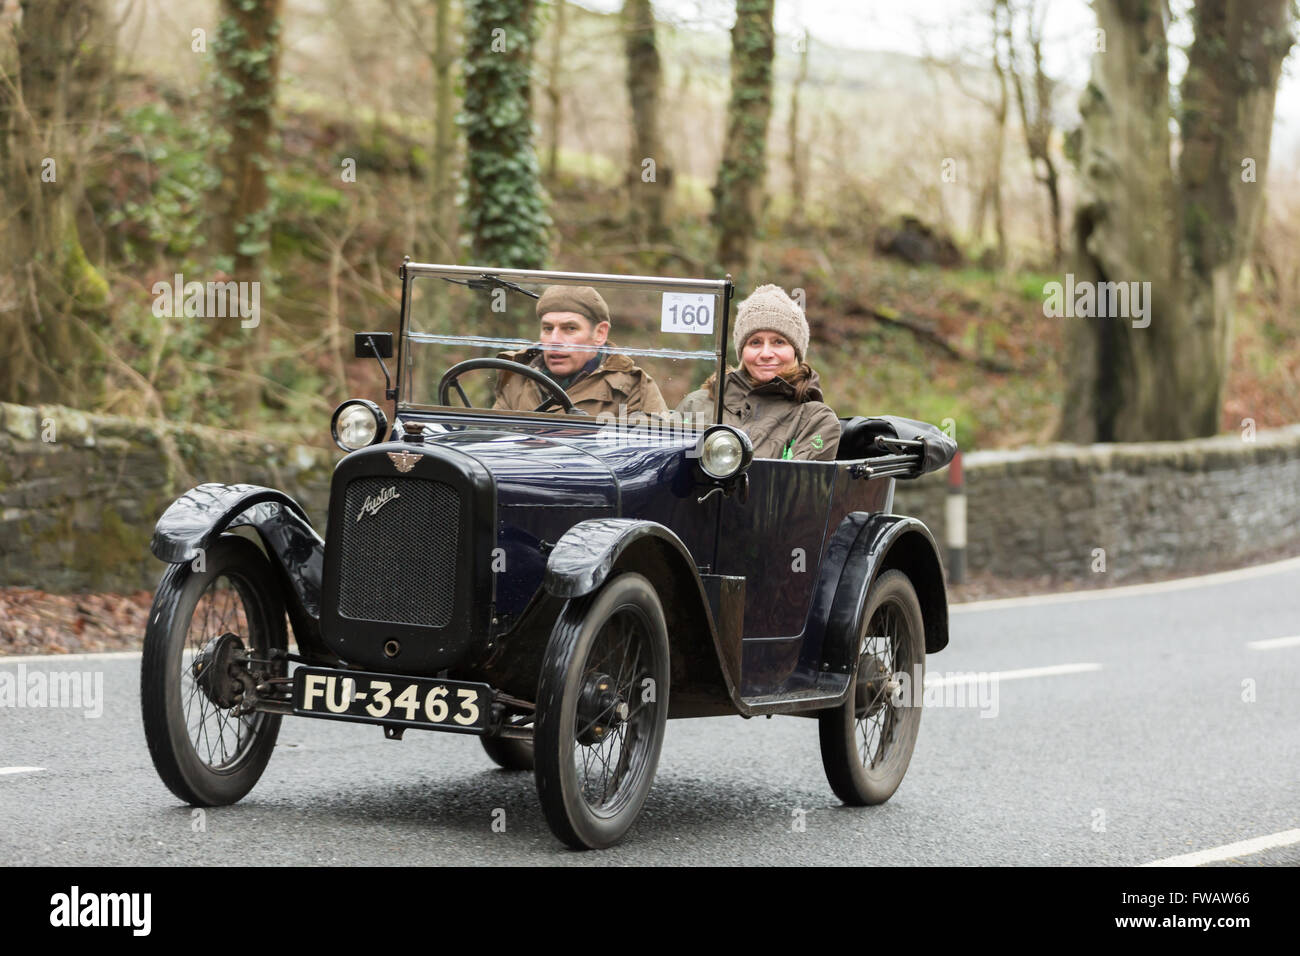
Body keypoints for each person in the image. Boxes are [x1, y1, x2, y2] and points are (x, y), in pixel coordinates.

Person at [676, 284, 839, 461]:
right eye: (755, 342)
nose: (766, 354)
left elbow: (794, 485)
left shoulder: (815, 421)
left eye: (779, 342)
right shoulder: (695, 405)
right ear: (742, 351)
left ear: (796, 351)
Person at [492, 285, 667, 419]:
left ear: (600, 334)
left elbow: (642, 457)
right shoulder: (518, 378)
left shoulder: (633, 388)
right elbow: (489, 443)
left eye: (570, 329)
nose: (554, 340)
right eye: (547, 328)